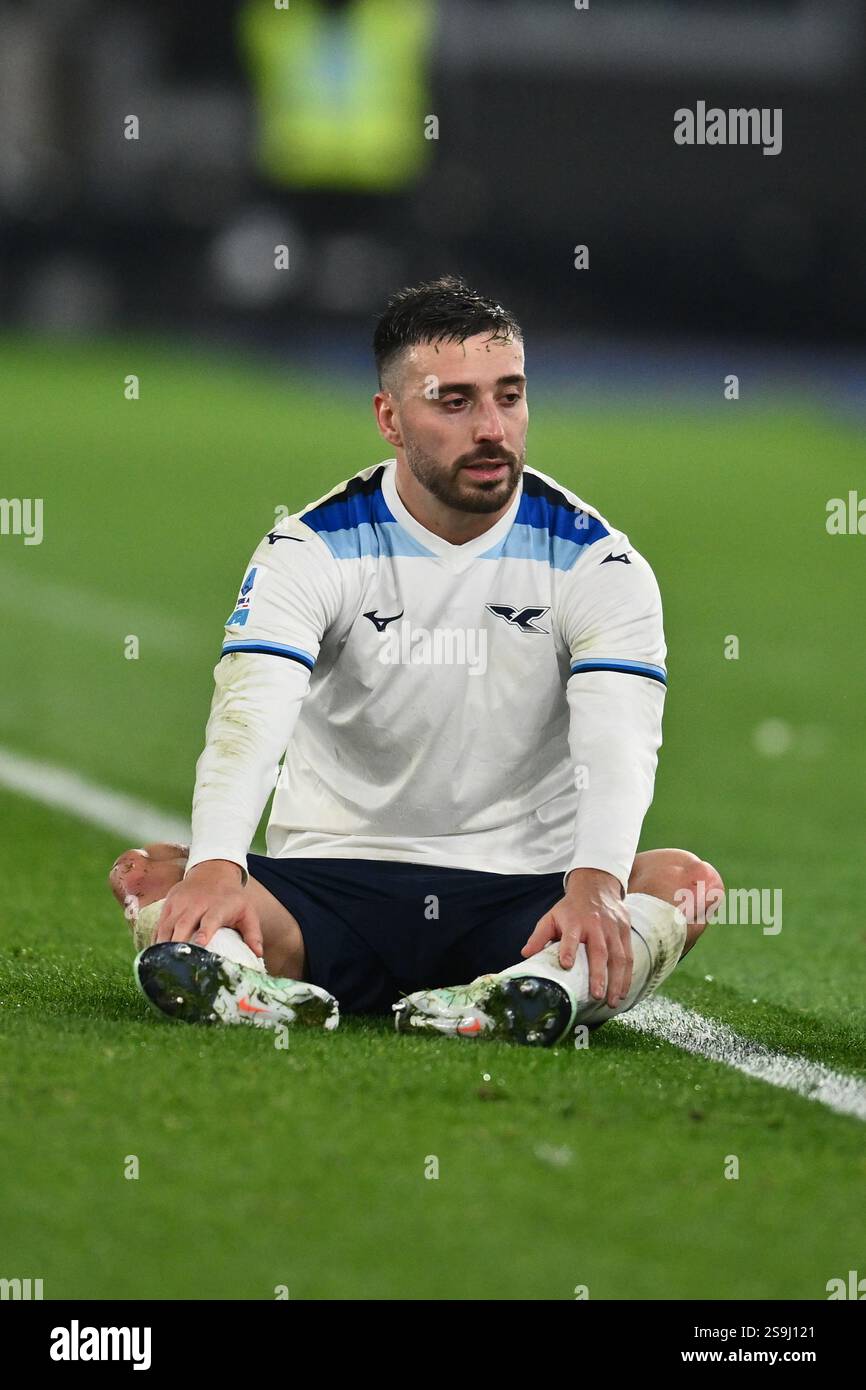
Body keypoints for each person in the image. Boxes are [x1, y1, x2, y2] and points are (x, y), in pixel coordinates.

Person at [109, 275, 723, 1044]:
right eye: (454, 402)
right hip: (330, 890)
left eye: (509, 396)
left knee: (686, 884)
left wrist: (596, 880)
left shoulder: (597, 561)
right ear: (390, 419)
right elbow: (249, 717)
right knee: (159, 873)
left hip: (523, 902)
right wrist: (218, 867)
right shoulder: (311, 548)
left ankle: (518, 988)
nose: (493, 429)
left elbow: (618, 739)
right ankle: (532, 998)